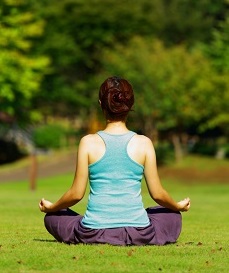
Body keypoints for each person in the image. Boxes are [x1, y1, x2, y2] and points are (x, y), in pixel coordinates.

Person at [39, 76, 190, 246]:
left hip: (93, 233)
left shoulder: (87, 142)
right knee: (172, 215)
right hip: (138, 233)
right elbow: (158, 194)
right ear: (130, 104)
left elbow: (76, 194)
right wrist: (177, 206)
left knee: (53, 217)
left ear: (101, 103)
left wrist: (51, 208)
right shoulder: (144, 143)